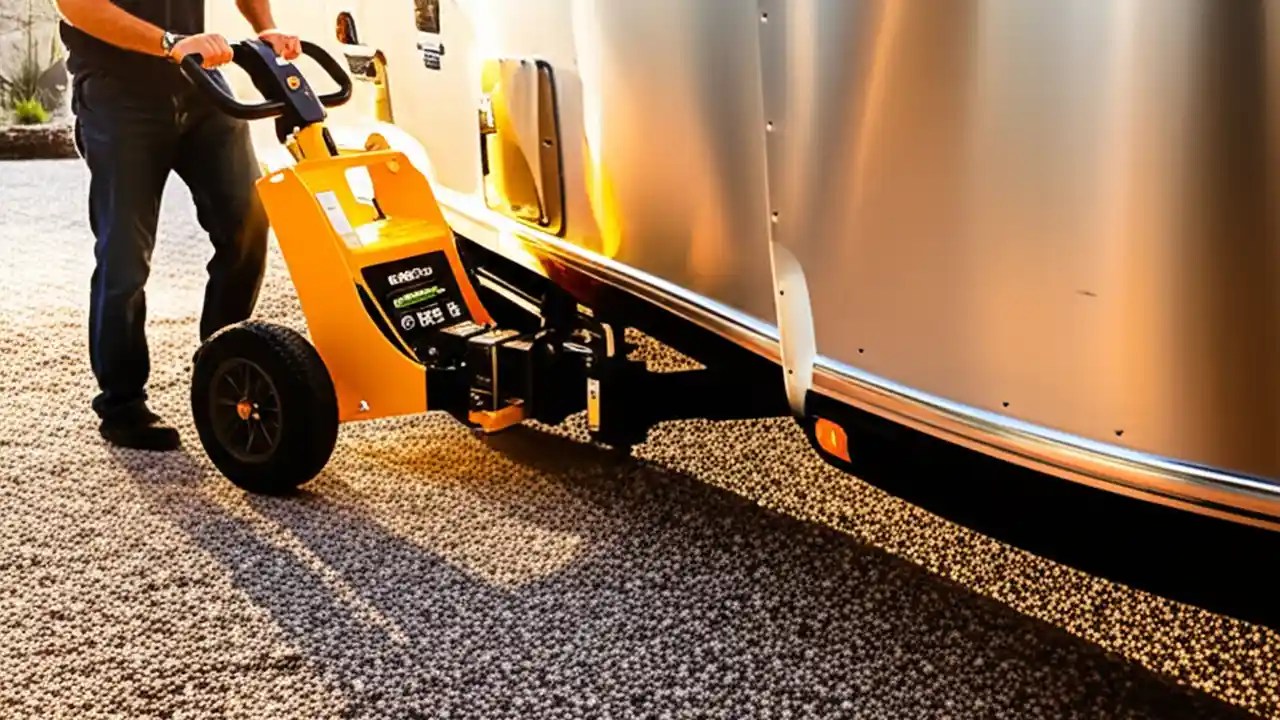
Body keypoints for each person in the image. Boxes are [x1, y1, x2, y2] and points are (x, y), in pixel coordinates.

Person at [54, 0, 300, 451]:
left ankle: (222, 371)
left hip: (198, 80)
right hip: (118, 93)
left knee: (247, 226)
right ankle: (122, 404)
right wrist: (168, 43)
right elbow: (76, 5)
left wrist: (267, 28)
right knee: (124, 254)